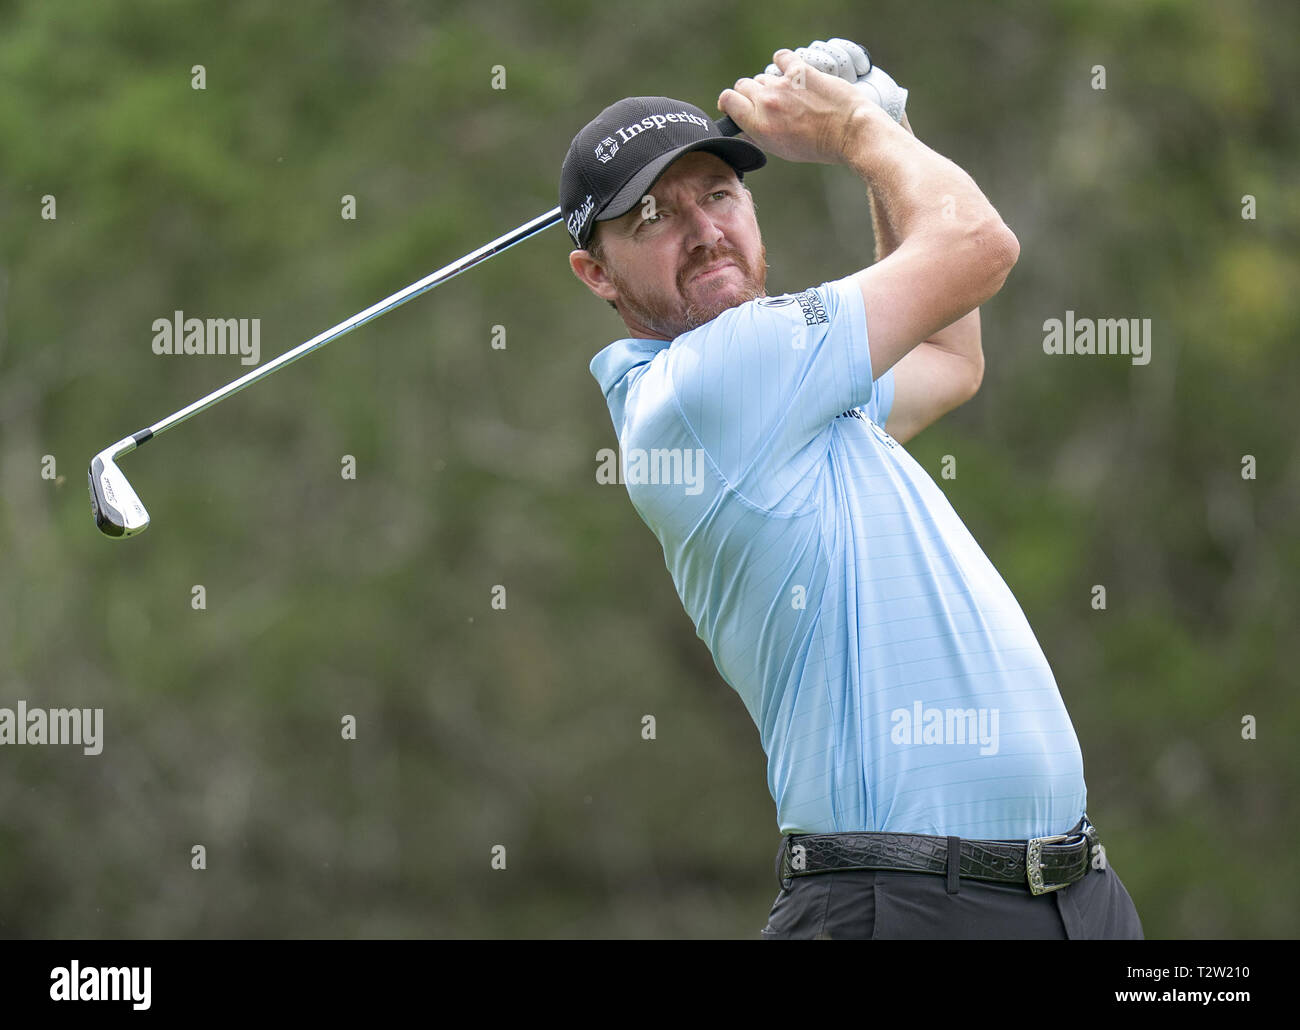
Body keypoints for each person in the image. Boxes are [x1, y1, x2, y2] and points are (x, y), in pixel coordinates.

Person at [560, 41, 1143, 940]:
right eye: (652, 218)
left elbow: (950, 358)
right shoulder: (709, 384)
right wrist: (860, 128)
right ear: (596, 273)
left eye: (718, 194)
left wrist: (890, 123)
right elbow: (979, 247)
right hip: (904, 906)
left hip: (1072, 895)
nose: (705, 229)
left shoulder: (783, 388)